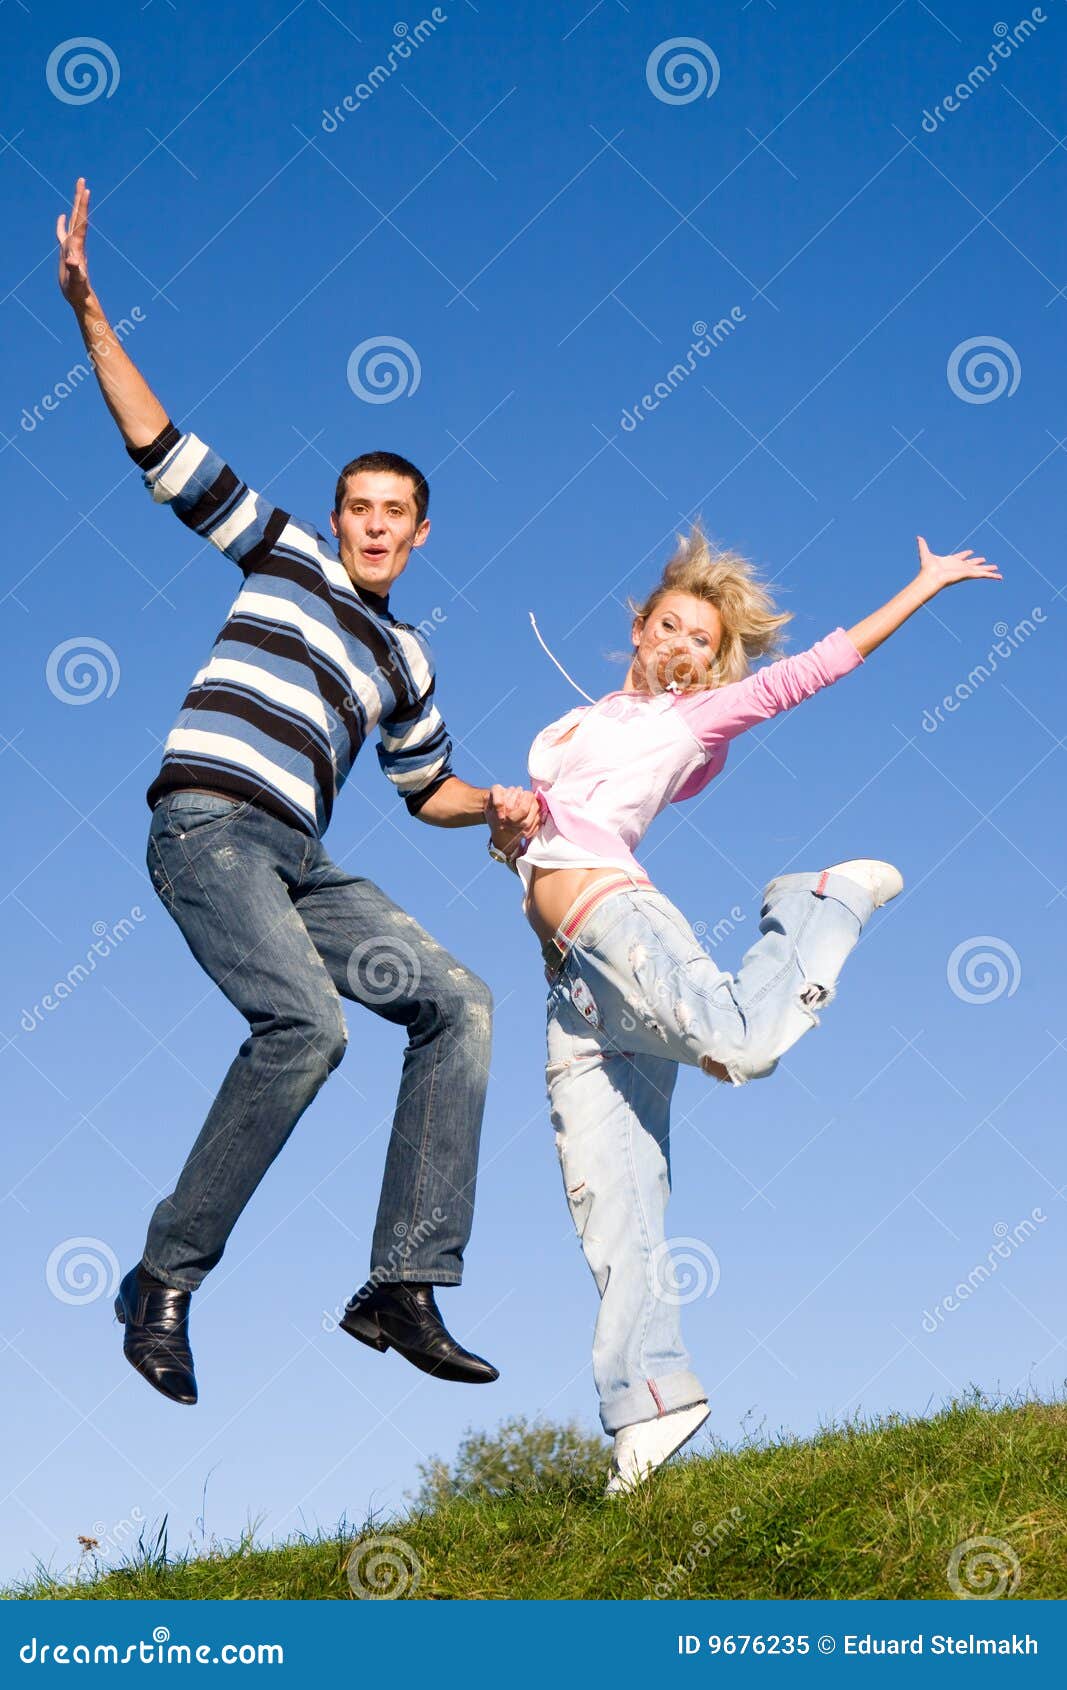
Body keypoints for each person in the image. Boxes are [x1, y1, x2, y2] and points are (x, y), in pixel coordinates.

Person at [56, 176, 538, 1406]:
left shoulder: (407, 657)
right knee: (306, 1029)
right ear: (337, 518)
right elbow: (163, 452)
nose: (374, 527)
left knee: (458, 1001)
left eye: (396, 515)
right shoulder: (283, 550)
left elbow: (423, 786)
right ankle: (162, 1279)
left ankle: (401, 1282)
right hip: (209, 825)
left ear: (422, 535)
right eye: (360, 508)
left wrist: (498, 804)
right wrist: (92, 317)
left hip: (303, 862)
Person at [487, 520, 1001, 1494]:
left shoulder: (687, 722)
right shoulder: (564, 732)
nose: (683, 648)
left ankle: (818, 902)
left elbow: (811, 670)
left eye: (703, 643)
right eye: (672, 627)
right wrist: (508, 826)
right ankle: (652, 1400)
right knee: (612, 1198)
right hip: (570, 981)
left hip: (619, 926)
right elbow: (526, 848)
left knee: (740, 1041)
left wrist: (919, 586)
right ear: (638, 625)